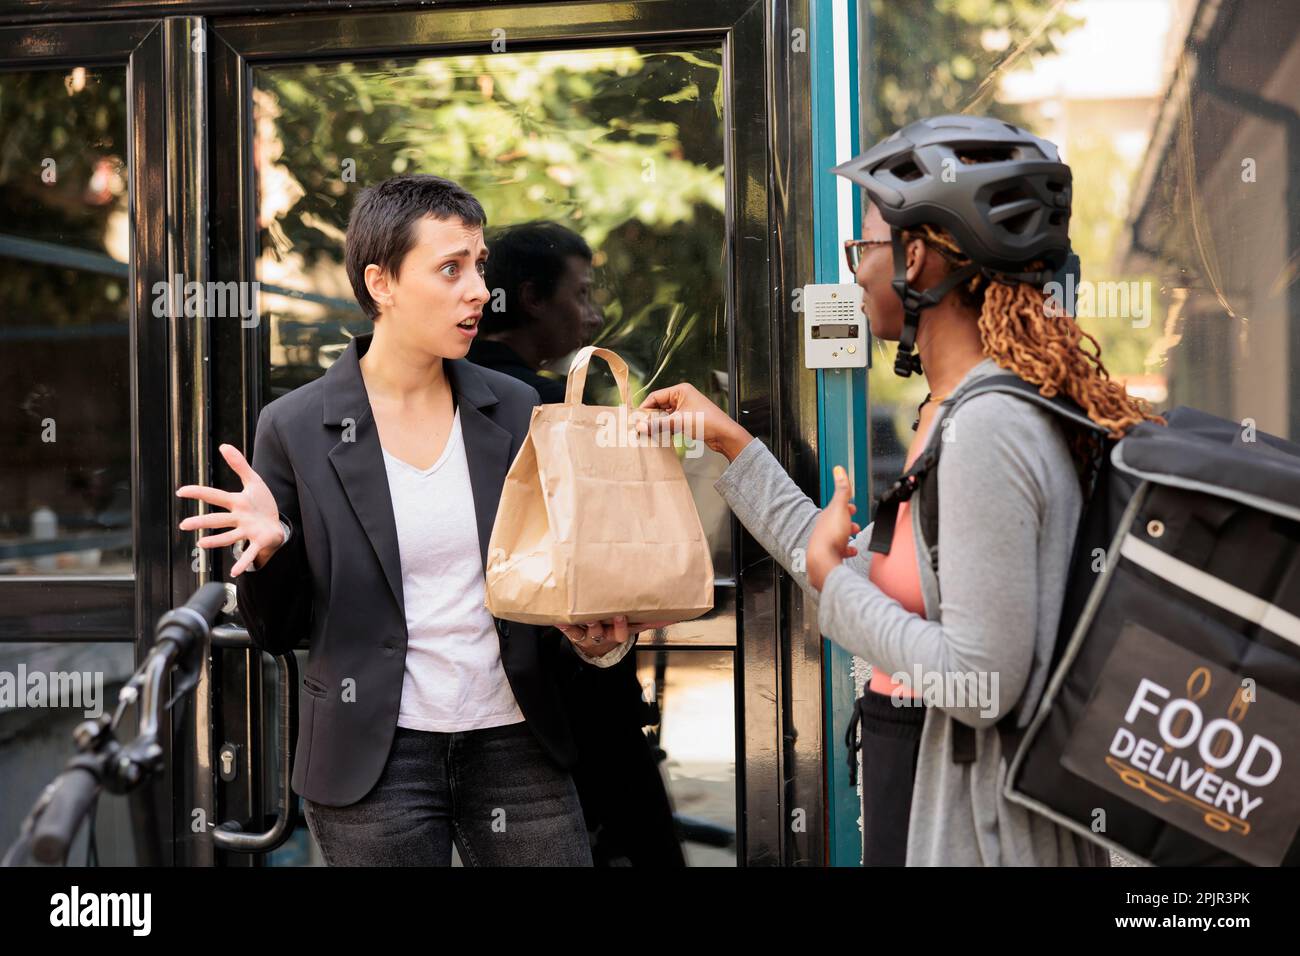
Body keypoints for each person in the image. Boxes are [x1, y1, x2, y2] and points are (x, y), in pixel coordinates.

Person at [630, 115, 1163, 865]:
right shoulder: (954, 414)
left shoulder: (988, 429)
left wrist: (831, 588)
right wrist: (732, 445)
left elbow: (981, 682)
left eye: (866, 246)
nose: (855, 268)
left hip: (979, 830)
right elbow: (869, 586)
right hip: (917, 774)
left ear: (918, 258)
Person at [175, 173, 652, 866]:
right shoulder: (297, 426)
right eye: (450, 269)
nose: (476, 291)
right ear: (382, 283)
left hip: (518, 743)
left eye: (479, 266)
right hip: (375, 760)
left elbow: (559, 575)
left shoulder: (518, 410)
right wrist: (275, 550)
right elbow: (275, 630)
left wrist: (593, 637)